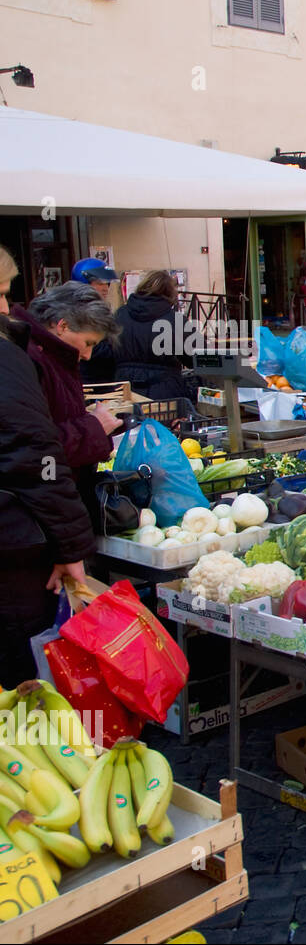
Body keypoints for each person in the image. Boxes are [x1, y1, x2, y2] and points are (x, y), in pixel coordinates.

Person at [0, 248, 96, 682]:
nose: (6, 307)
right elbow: (35, 454)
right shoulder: (10, 358)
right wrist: (70, 548)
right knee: (21, 682)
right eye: (0, 294)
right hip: (14, 546)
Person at [8, 282, 122, 522]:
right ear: (62, 325)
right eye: (89, 343)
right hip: (45, 507)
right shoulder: (32, 362)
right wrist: (95, 426)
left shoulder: (53, 358)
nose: (88, 355)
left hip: (54, 500)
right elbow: (40, 451)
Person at [111, 270, 190, 401]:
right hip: (164, 391)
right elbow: (196, 357)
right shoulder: (175, 320)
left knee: (126, 420)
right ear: (170, 293)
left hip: (124, 390)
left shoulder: (120, 314)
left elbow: (108, 349)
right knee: (162, 420)